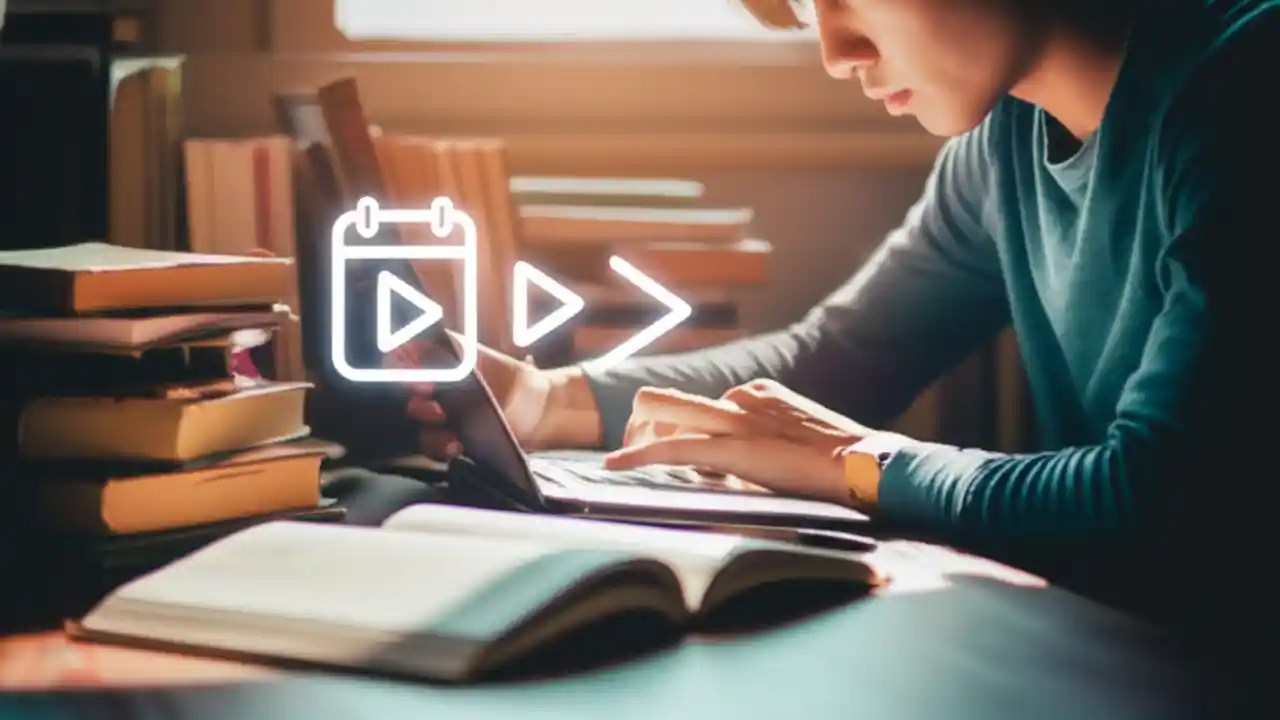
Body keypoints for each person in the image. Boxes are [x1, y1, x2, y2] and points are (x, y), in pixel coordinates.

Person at [401, 0, 1279, 646]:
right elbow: (836, 357)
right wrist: (549, 400)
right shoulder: (1005, 145)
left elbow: (1156, 505)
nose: (834, 50)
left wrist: (858, 464)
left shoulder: (1250, 84)